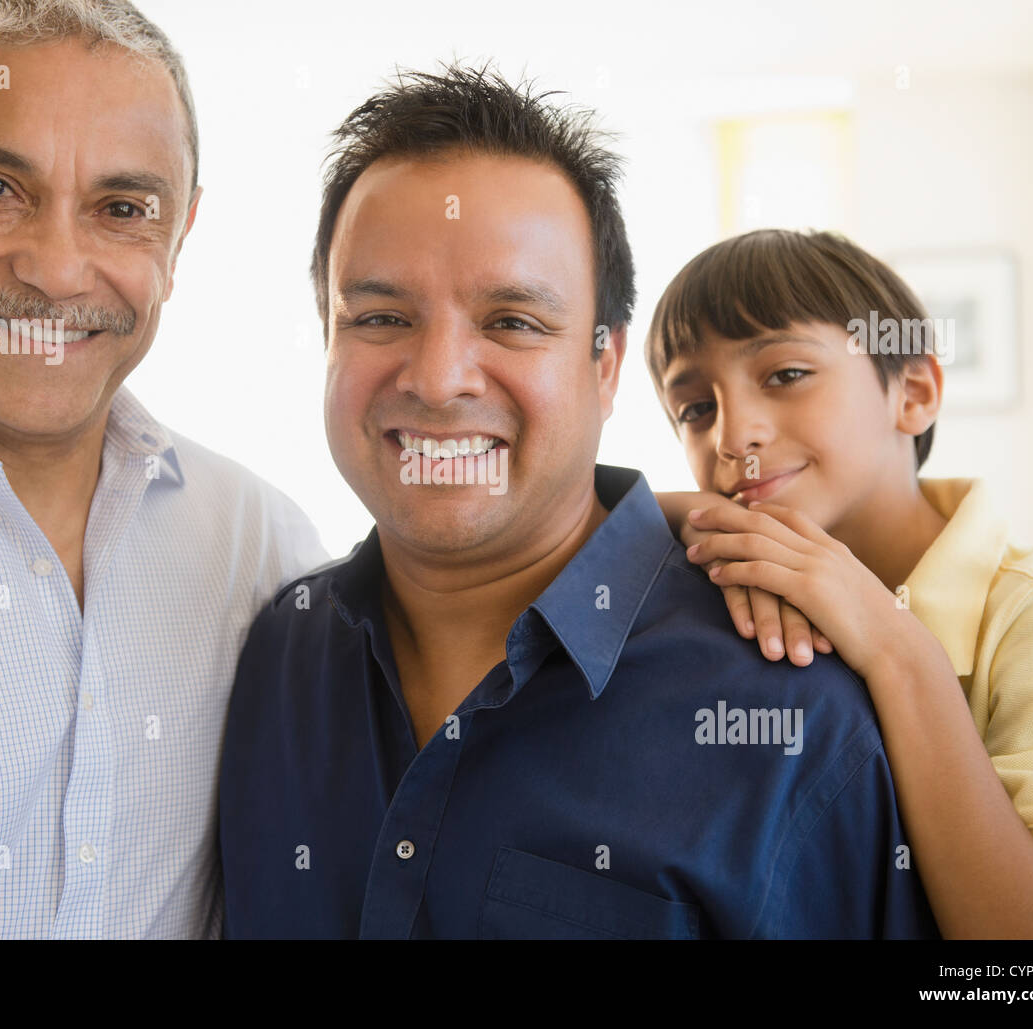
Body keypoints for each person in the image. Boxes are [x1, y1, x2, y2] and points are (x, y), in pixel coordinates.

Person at [218, 65, 938, 939]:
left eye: (513, 320)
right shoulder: (269, 657)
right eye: (379, 318)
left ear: (604, 366)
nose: (440, 379)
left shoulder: (794, 714)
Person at [0, 0, 326, 938]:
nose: (55, 268)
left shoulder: (260, 545)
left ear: (177, 243)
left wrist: (637, 548)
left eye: (122, 209)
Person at [646, 228, 1033, 937]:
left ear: (913, 393)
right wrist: (694, 516)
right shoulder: (732, 588)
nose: (734, 435)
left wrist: (898, 648)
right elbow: (572, 506)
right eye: (695, 408)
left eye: (785, 374)